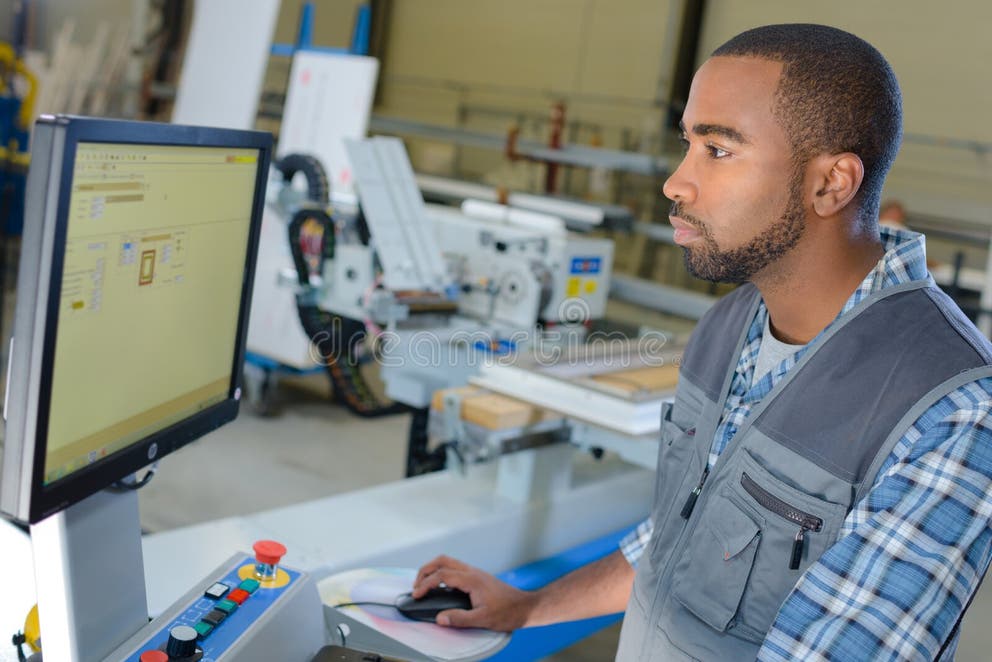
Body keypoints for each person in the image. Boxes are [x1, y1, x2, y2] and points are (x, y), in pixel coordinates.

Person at [412, 24, 992, 661]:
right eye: (687, 143)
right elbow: (682, 535)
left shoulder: (950, 411)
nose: (676, 184)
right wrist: (531, 607)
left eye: (717, 151)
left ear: (832, 184)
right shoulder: (732, 322)